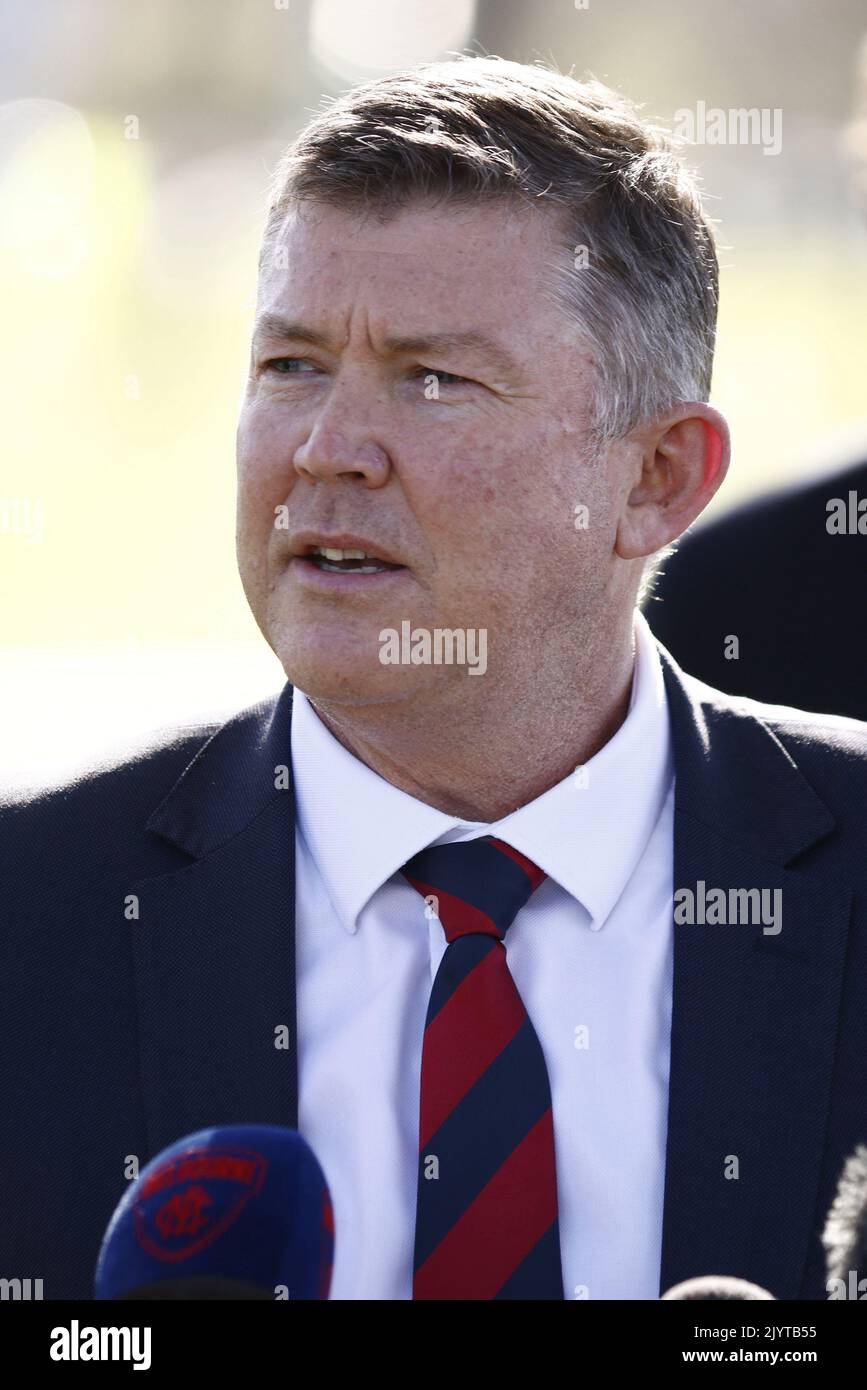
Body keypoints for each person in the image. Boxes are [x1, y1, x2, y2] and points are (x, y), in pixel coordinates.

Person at [2, 55, 866, 1301]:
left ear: (658, 477)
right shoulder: (31, 924)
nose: (326, 450)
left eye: (433, 379)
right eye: (291, 365)